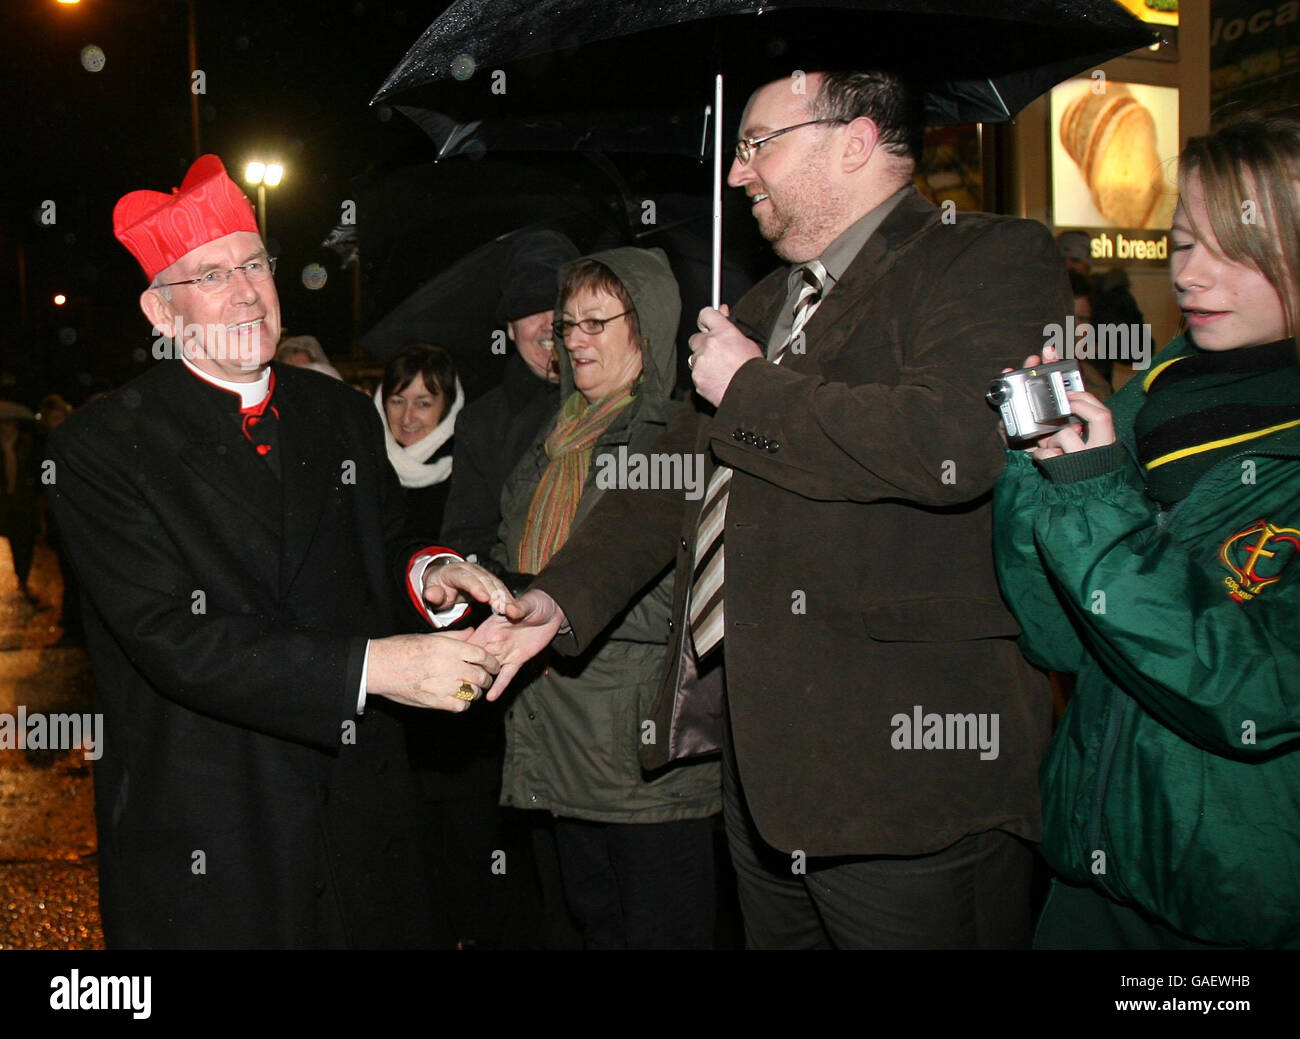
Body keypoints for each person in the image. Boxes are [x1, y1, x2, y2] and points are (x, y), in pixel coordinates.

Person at [474, 70, 1068, 948]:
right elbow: (670, 482)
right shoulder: (767, 302)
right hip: (763, 788)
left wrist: (750, 387)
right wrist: (560, 599)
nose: (736, 174)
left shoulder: (986, 256)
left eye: (757, 146)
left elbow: (951, 442)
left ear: (855, 141)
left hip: (910, 788)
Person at [47, 154, 508, 949]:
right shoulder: (103, 445)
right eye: (214, 274)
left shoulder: (341, 414)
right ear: (162, 315)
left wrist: (434, 574)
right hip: (219, 827)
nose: (248, 290)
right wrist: (377, 667)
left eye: (256, 262)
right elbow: (173, 638)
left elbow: (386, 544)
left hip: (359, 811)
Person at [994, 107, 1300, 949]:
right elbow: (1056, 638)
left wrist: (1093, 503)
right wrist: (1041, 471)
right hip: (1095, 872)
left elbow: (1254, 691)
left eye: (1234, 250)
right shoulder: (1152, 395)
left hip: (1234, 905)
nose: (1193, 275)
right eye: (1184, 241)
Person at [493, 247, 720, 949]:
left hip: (638, 757)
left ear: (645, 328)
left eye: (598, 321)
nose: (576, 339)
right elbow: (513, 553)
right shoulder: (555, 438)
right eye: (568, 325)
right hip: (552, 743)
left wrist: (551, 599)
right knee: (586, 926)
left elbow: (683, 595)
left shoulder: (676, 437)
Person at [439, 231, 574, 564]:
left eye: (559, 308)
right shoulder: (481, 423)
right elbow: (467, 540)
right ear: (510, 330)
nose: (549, 325)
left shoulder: (626, 405)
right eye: (530, 309)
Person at [377, 343, 463, 542]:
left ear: (448, 408)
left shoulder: (466, 470)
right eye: (397, 401)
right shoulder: (364, 463)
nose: (407, 418)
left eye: (423, 404)